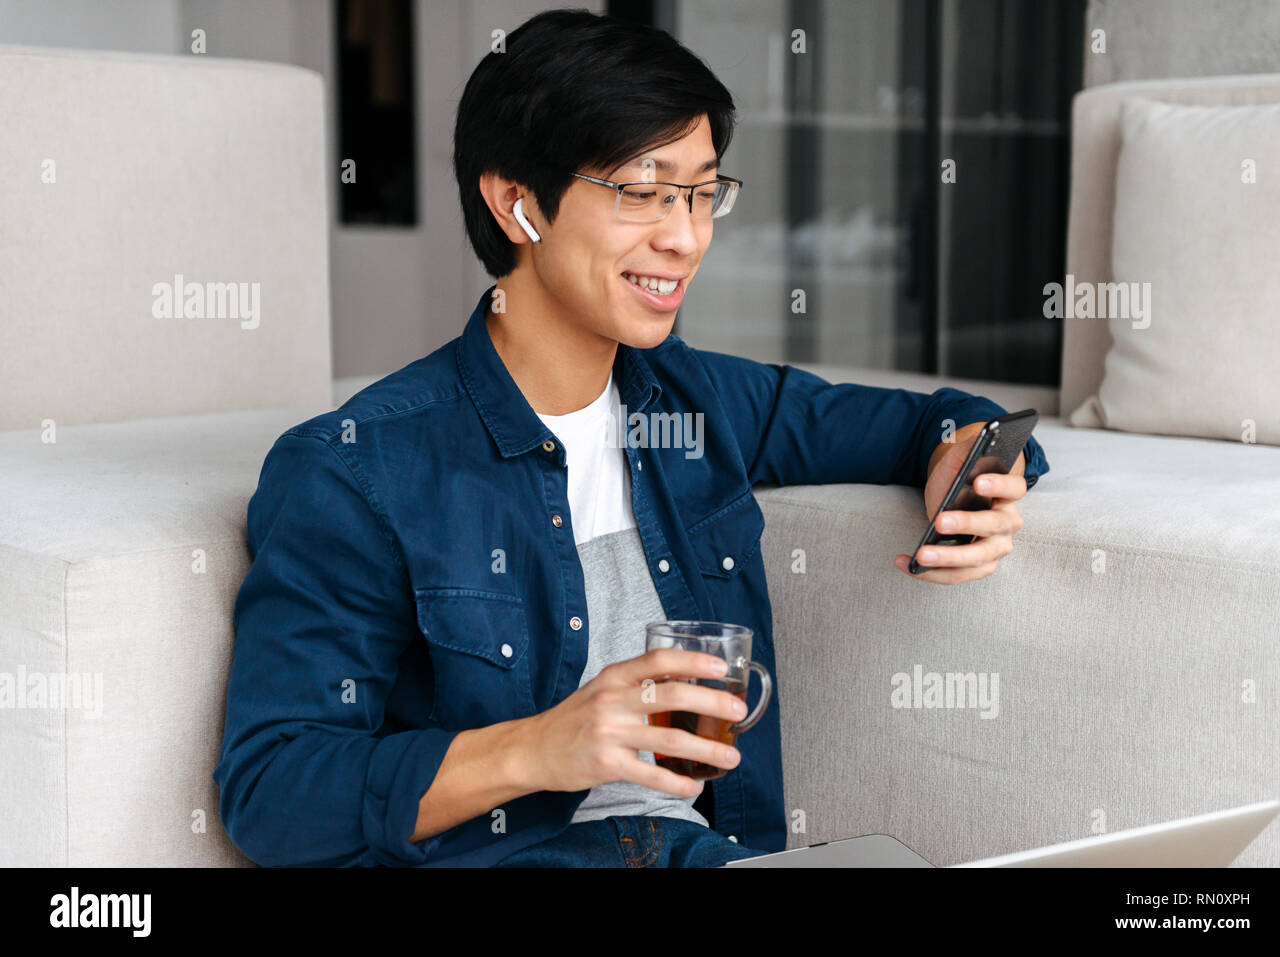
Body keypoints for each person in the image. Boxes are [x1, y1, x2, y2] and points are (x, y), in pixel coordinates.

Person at [212, 8, 1049, 868]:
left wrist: (967, 456)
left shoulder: (694, 400)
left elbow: (931, 420)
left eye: (701, 192)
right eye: (643, 193)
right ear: (517, 204)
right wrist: (539, 747)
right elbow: (274, 792)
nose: (685, 237)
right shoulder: (358, 468)